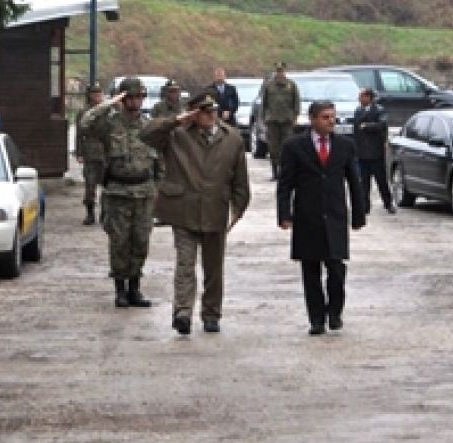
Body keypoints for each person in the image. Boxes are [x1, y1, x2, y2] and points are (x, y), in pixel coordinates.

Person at [140, 91, 251, 336]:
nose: (210, 115)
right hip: (183, 210)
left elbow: (240, 179)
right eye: (203, 111)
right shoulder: (176, 135)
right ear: (192, 113)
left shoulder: (231, 138)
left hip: (215, 209)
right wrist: (177, 120)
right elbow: (146, 134)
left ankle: (211, 314)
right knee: (185, 264)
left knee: (213, 268)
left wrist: (238, 208)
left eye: (212, 110)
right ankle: (183, 312)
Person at [278, 100, 366, 335]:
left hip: (336, 215)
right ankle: (316, 319)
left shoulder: (345, 146)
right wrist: (285, 214)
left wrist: (358, 214)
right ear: (313, 119)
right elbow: (285, 184)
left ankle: (335, 312)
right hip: (307, 217)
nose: (331, 121)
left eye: (332, 117)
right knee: (311, 270)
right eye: (325, 117)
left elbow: (354, 182)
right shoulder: (294, 146)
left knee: (336, 268)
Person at [81, 77, 157, 309]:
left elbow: (160, 159)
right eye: (131, 97)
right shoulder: (110, 124)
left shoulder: (148, 125)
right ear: (124, 98)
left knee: (141, 242)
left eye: (140, 97)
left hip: (144, 192)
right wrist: (110, 102)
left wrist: (161, 189)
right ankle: (120, 289)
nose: (137, 102)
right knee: (119, 243)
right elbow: (86, 122)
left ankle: (135, 287)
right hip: (118, 192)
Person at [352, 87, 396, 215]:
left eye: (362, 96)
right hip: (362, 152)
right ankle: (365, 206)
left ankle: (388, 203)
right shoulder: (358, 111)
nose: (359, 99)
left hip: (375, 152)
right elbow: (356, 130)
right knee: (364, 182)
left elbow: (382, 125)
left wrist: (367, 126)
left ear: (368, 97)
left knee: (381, 181)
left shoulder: (379, 110)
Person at [261, 62, 301, 181]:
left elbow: (296, 102)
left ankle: (286, 172)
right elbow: (264, 103)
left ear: (285, 72)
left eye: (281, 71)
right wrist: (264, 118)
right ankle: (275, 172)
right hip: (272, 121)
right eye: (278, 71)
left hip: (287, 121)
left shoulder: (291, 85)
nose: (279, 73)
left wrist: (295, 117)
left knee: (287, 147)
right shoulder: (268, 85)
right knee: (273, 148)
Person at [75, 82, 106, 226]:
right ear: (89, 96)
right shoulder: (84, 112)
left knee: (107, 186)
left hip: (106, 152)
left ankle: (105, 214)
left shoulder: (107, 110)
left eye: (99, 94)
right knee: (90, 186)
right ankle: (90, 213)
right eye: (94, 94)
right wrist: (79, 153)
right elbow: (79, 134)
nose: (97, 97)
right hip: (90, 152)